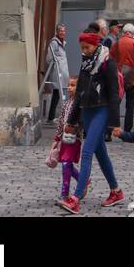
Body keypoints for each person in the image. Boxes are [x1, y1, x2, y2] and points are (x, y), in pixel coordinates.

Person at [60, 29, 123, 214]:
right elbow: (79, 91)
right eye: (82, 48)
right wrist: (72, 120)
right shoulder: (85, 62)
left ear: (96, 45)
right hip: (87, 110)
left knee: (87, 151)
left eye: (87, 47)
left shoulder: (108, 63)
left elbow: (113, 93)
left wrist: (115, 123)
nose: (84, 50)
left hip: (102, 110)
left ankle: (76, 198)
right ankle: (116, 191)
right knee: (100, 153)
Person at [50, 74, 81, 203]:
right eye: (69, 85)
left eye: (73, 85)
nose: (69, 88)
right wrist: (56, 140)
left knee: (67, 163)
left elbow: (82, 122)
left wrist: (77, 130)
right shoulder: (66, 104)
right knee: (65, 163)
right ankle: (83, 179)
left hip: (74, 139)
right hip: (64, 139)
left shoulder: (80, 105)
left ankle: (65, 193)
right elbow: (61, 122)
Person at [111, 22, 134, 133]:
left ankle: (110, 129)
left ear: (124, 32)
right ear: (132, 33)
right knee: (130, 105)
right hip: (132, 78)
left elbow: (111, 58)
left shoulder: (117, 43)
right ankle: (127, 130)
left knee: (116, 103)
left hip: (118, 77)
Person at [44, 24, 69, 123]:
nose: (63, 33)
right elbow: (49, 58)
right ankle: (52, 117)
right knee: (57, 94)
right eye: (61, 31)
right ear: (57, 32)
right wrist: (56, 65)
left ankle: (52, 117)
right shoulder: (54, 43)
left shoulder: (62, 42)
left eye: (64, 31)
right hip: (57, 72)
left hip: (62, 72)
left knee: (58, 94)